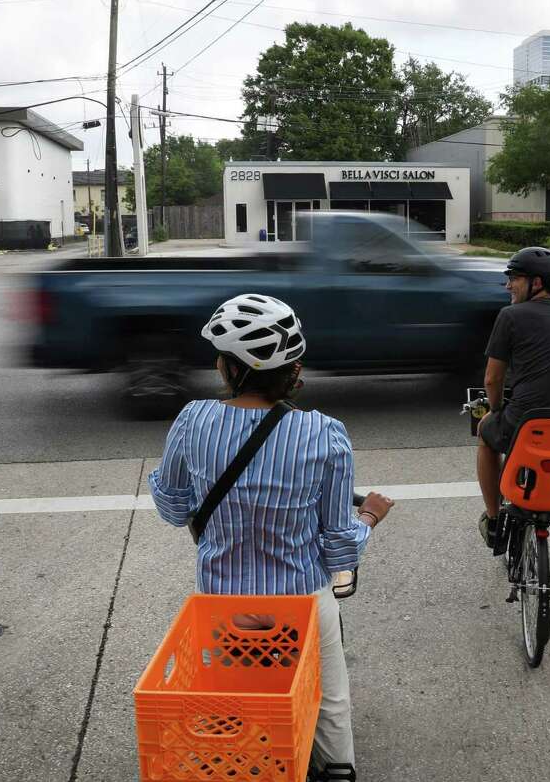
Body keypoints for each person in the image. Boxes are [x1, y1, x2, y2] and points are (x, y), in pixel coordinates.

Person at [149, 293, 392, 778]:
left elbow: (174, 509)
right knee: (330, 699)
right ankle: (337, 771)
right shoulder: (325, 434)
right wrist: (369, 517)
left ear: (229, 368)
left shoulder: (192, 421)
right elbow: (338, 546)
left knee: (230, 698)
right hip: (300, 601)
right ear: (292, 371)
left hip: (222, 602)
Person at [475, 247, 550, 630]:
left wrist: (494, 409)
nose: (508, 285)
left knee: (485, 434)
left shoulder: (510, 316)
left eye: (514, 277)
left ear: (536, 282)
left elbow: (492, 379)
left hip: (526, 424)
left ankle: (495, 519)